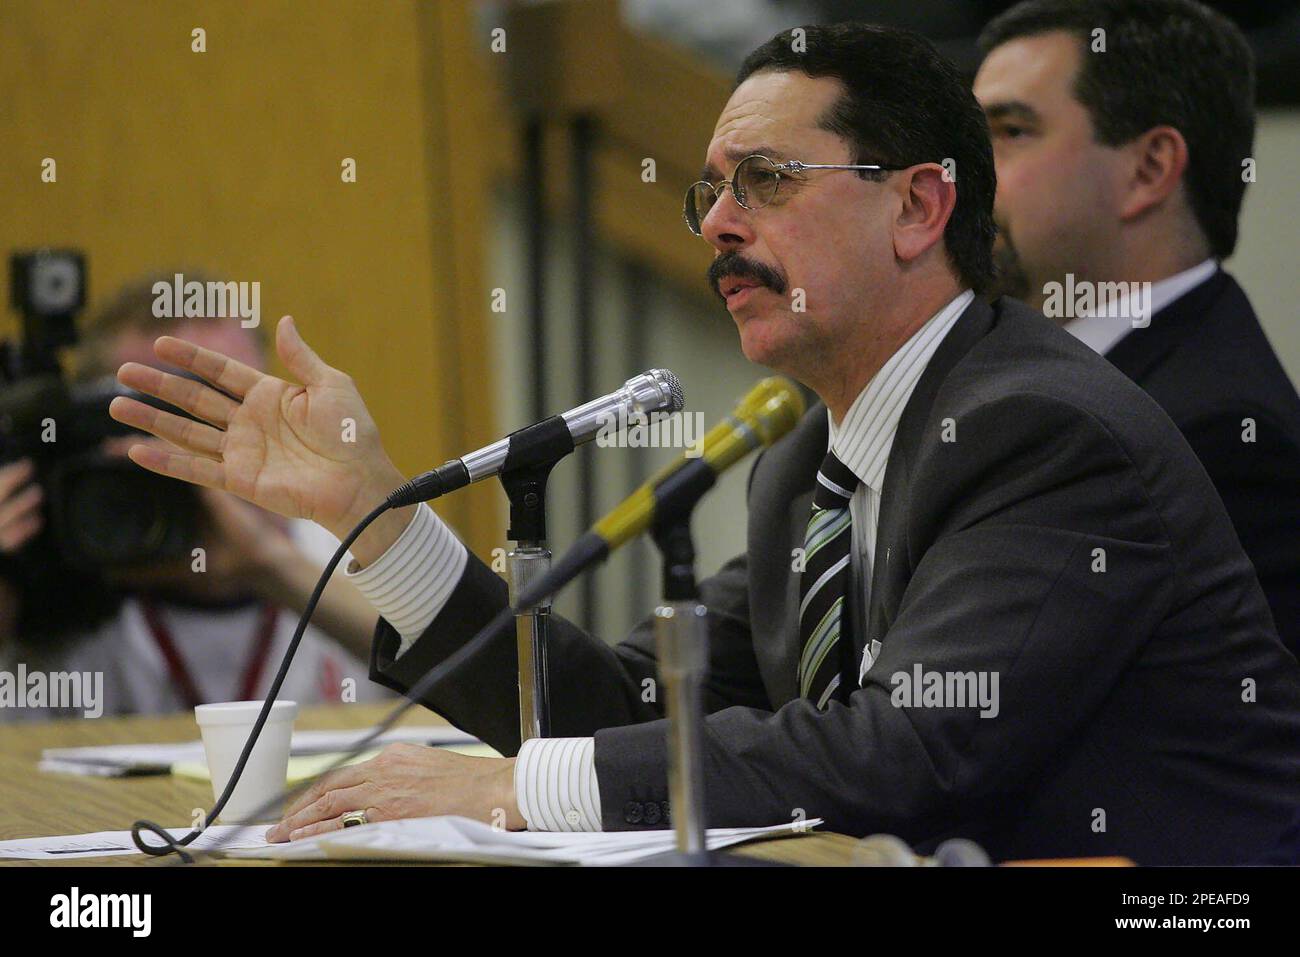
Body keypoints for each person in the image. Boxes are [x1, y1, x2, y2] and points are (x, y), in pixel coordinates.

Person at [111, 24, 1300, 864]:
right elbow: (636, 705)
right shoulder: (809, 460)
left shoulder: (1041, 428)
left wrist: (515, 789)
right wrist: (375, 516)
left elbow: (907, 748)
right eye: (710, 193)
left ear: (920, 207)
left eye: (769, 181)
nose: (719, 224)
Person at [974, 0, 1300, 657]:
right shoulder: (1007, 379)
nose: (959, 174)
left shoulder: (1218, 437)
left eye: (1008, 131)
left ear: (1148, 170)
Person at [0, 279, 386, 719]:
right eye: (156, 416)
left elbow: (464, 665)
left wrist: (271, 565)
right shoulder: (58, 580)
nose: (193, 447)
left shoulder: (355, 551)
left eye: (228, 409)